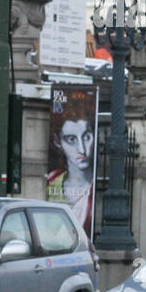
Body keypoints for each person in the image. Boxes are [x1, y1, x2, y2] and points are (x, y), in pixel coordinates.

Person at [46, 96, 97, 232]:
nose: (82, 150)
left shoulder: (96, 187)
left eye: (86, 137)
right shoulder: (51, 182)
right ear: (57, 141)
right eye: (71, 139)